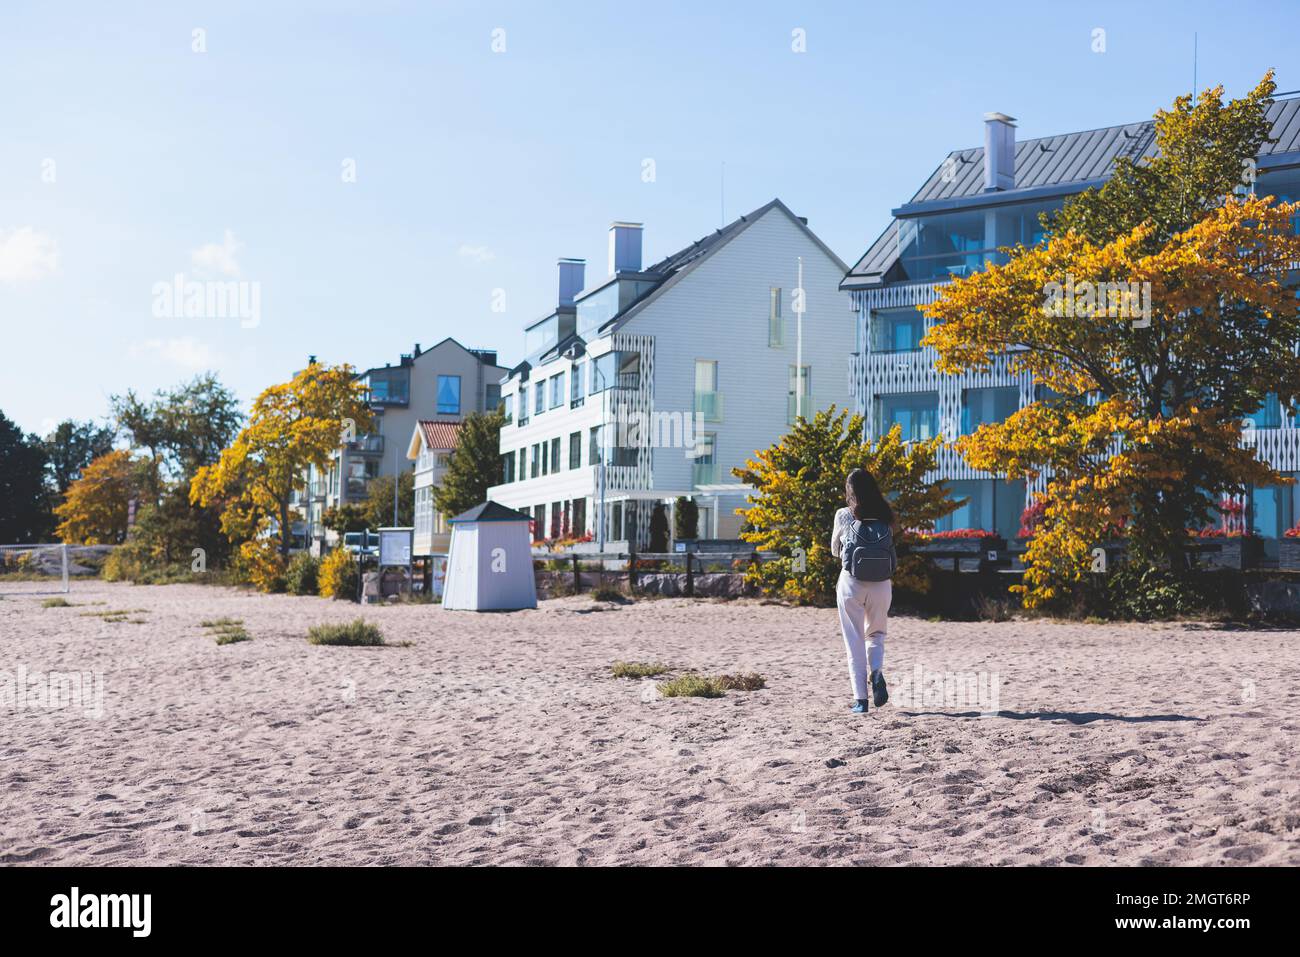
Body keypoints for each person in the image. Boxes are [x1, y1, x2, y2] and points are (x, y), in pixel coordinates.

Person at [830, 468, 895, 713]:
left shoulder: (844, 514)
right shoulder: (885, 514)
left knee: (854, 639)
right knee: (876, 634)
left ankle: (860, 700)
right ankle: (876, 673)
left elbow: (835, 551)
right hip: (881, 584)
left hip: (851, 583)